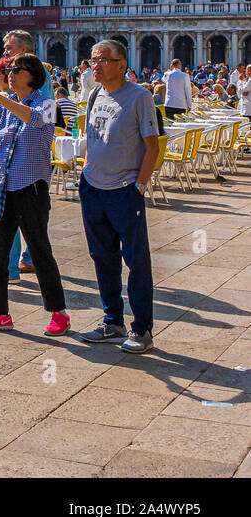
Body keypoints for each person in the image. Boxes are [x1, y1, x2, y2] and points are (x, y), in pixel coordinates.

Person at [0, 54, 70, 336]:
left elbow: (35, 120)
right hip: (4, 185)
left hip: (31, 187)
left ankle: (59, 313)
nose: (10, 74)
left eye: (17, 70)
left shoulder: (47, 104)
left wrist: (1, 100)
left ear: (32, 75)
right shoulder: (6, 106)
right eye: (9, 70)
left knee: (39, 249)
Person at [77, 39, 161, 354]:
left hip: (125, 191)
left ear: (122, 65)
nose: (94, 65)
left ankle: (142, 329)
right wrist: (85, 172)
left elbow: (152, 146)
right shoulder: (95, 93)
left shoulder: (140, 98)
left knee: (136, 261)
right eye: (93, 59)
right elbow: (92, 137)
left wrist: (139, 186)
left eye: (102, 60)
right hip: (93, 188)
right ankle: (113, 322)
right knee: (102, 258)